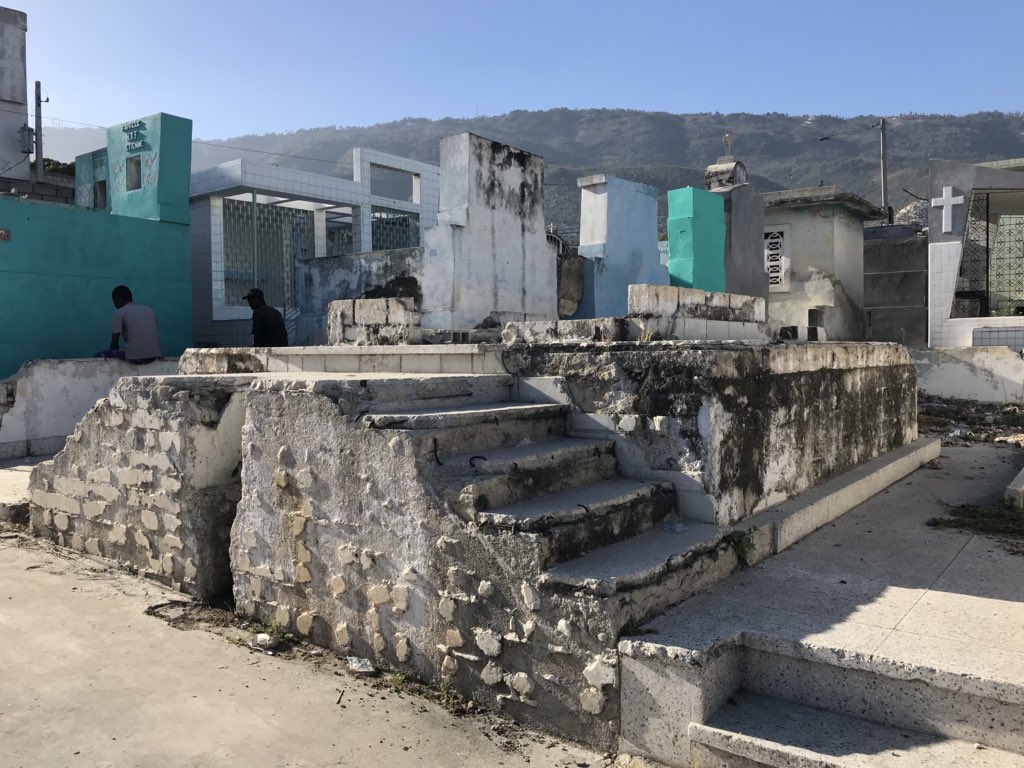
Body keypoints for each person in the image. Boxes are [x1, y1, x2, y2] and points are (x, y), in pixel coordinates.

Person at [103, 285, 162, 364]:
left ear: (116, 299)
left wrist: (113, 352)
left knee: (100, 355)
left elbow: (114, 343)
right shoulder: (149, 310)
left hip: (136, 358)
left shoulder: (119, 312)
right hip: (154, 356)